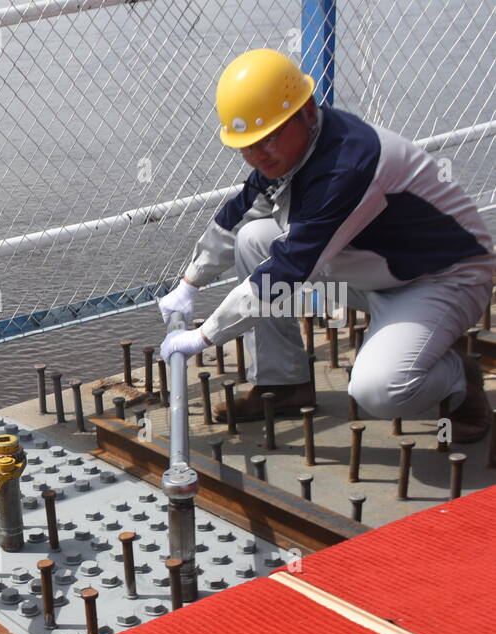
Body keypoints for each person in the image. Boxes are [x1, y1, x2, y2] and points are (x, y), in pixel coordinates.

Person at [158, 48, 495, 441]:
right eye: (247, 145)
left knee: (379, 390)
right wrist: (189, 283)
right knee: (253, 239)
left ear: (307, 110)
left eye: (269, 139)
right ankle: (283, 383)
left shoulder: (348, 166)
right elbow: (241, 213)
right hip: (376, 269)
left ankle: (459, 378)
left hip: (442, 279)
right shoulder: (292, 153)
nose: (257, 154)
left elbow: (284, 273)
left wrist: (203, 336)